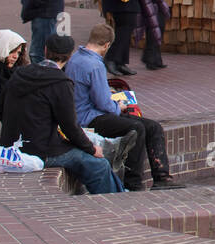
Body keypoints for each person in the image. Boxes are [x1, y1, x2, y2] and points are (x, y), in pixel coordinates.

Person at [0, 34, 121, 195]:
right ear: (70, 56)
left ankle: (120, 193)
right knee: (99, 165)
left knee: (89, 153)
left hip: (11, 144)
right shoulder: (61, 83)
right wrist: (91, 149)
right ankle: (114, 202)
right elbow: (70, 126)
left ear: (45, 50)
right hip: (40, 150)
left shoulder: (19, 74)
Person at [67, 22, 183, 190]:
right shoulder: (95, 65)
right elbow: (103, 103)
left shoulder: (76, 57)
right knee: (136, 128)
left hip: (87, 113)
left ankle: (161, 179)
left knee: (153, 127)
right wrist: (118, 106)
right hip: (91, 117)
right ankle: (135, 182)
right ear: (107, 45)